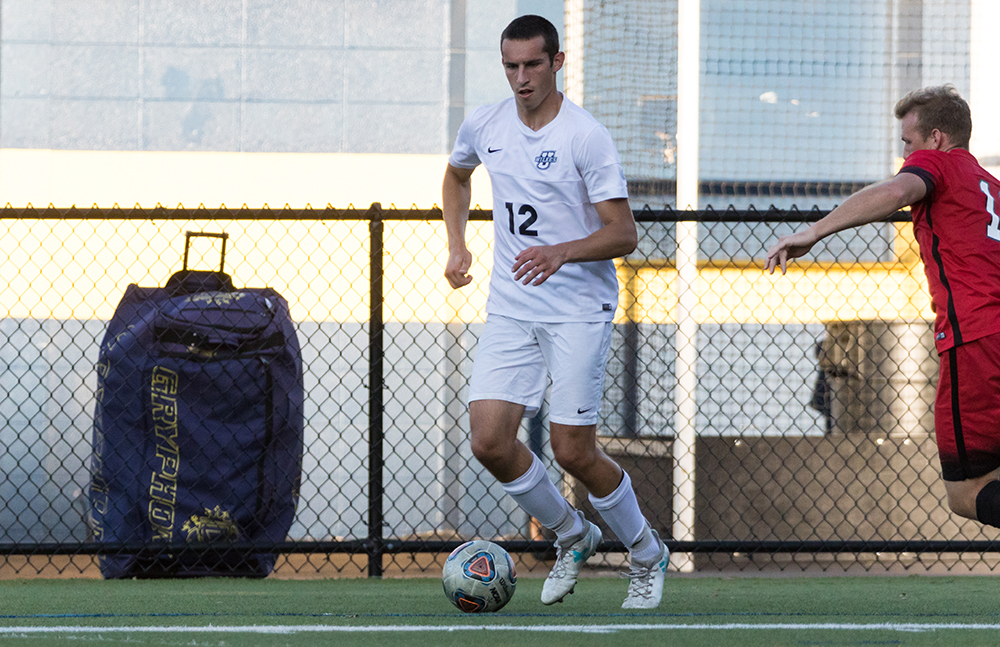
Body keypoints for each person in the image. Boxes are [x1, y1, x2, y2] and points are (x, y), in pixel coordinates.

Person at [442, 14, 668, 609]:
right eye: (511, 66)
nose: (521, 78)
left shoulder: (584, 136)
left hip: (578, 309)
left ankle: (646, 552)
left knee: (572, 450)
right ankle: (573, 533)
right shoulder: (486, 124)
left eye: (532, 65)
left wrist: (561, 252)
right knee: (489, 442)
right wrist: (457, 243)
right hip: (512, 307)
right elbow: (456, 175)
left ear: (557, 63)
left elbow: (624, 234)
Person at [767, 85, 1000, 531]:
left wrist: (814, 232)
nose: (905, 153)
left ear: (935, 138)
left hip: (976, 340)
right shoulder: (991, 187)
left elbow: (897, 191)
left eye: (908, 142)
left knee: (967, 493)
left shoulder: (937, 164)